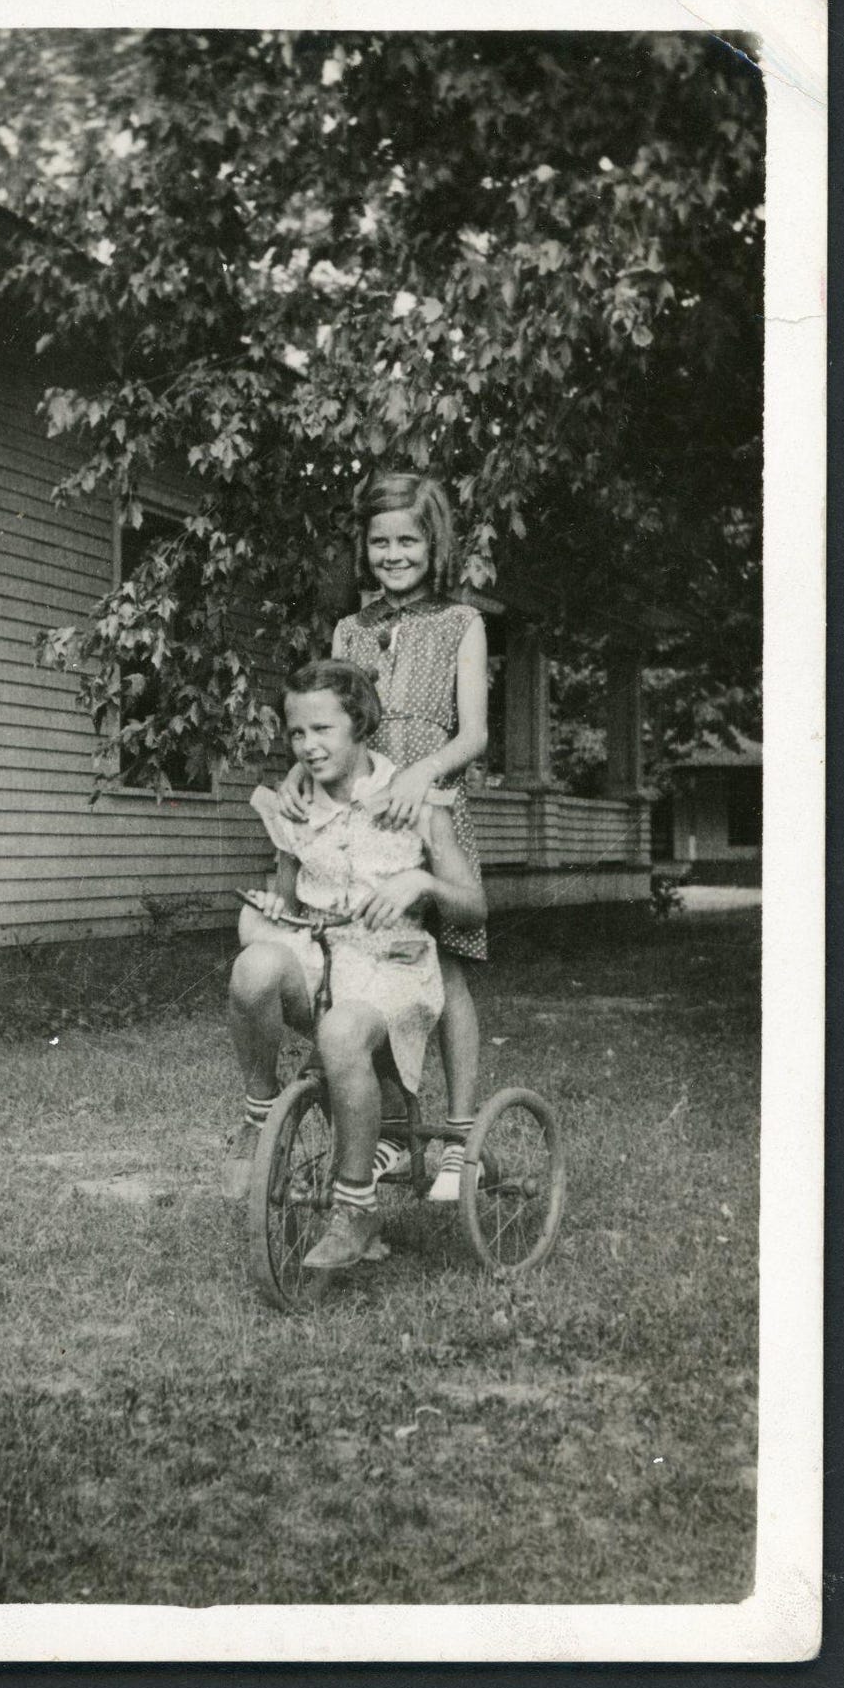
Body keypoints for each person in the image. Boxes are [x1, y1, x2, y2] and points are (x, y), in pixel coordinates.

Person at [224, 659, 486, 1270]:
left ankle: (356, 1206)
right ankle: (259, 1118)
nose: (308, 747)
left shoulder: (416, 803)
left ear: (360, 723)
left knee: (343, 1032)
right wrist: (272, 907)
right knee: (253, 967)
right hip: (323, 961)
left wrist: (420, 880)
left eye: (323, 730)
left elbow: (474, 906)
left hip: (394, 969)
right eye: (296, 734)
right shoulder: (293, 807)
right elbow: (288, 900)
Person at [278, 471, 488, 1201]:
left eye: (409, 540)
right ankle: (392, 1133)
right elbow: (331, 717)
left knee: (445, 967)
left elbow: (475, 732)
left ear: (435, 544)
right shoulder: (350, 630)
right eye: (380, 542)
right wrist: (308, 776)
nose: (394, 553)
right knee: (361, 959)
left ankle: (461, 1142)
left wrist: (416, 775)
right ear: (363, 550)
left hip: (428, 799)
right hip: (361, 808)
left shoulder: (462, 623)